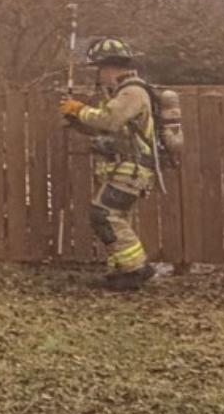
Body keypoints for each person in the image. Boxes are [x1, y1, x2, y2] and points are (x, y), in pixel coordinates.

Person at [59, 38, 158, 290]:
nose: (99, 76)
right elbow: (109, 132)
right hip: (123, 168)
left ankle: (136, 268)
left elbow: (110, 120)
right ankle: (121, 271)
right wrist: (77, 121)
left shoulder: (132, 92)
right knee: (111, 217)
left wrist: (79, 109)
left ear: (110, 67)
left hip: (131, 168)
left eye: (99, 70)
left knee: (104, 214)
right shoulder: (121, 93)